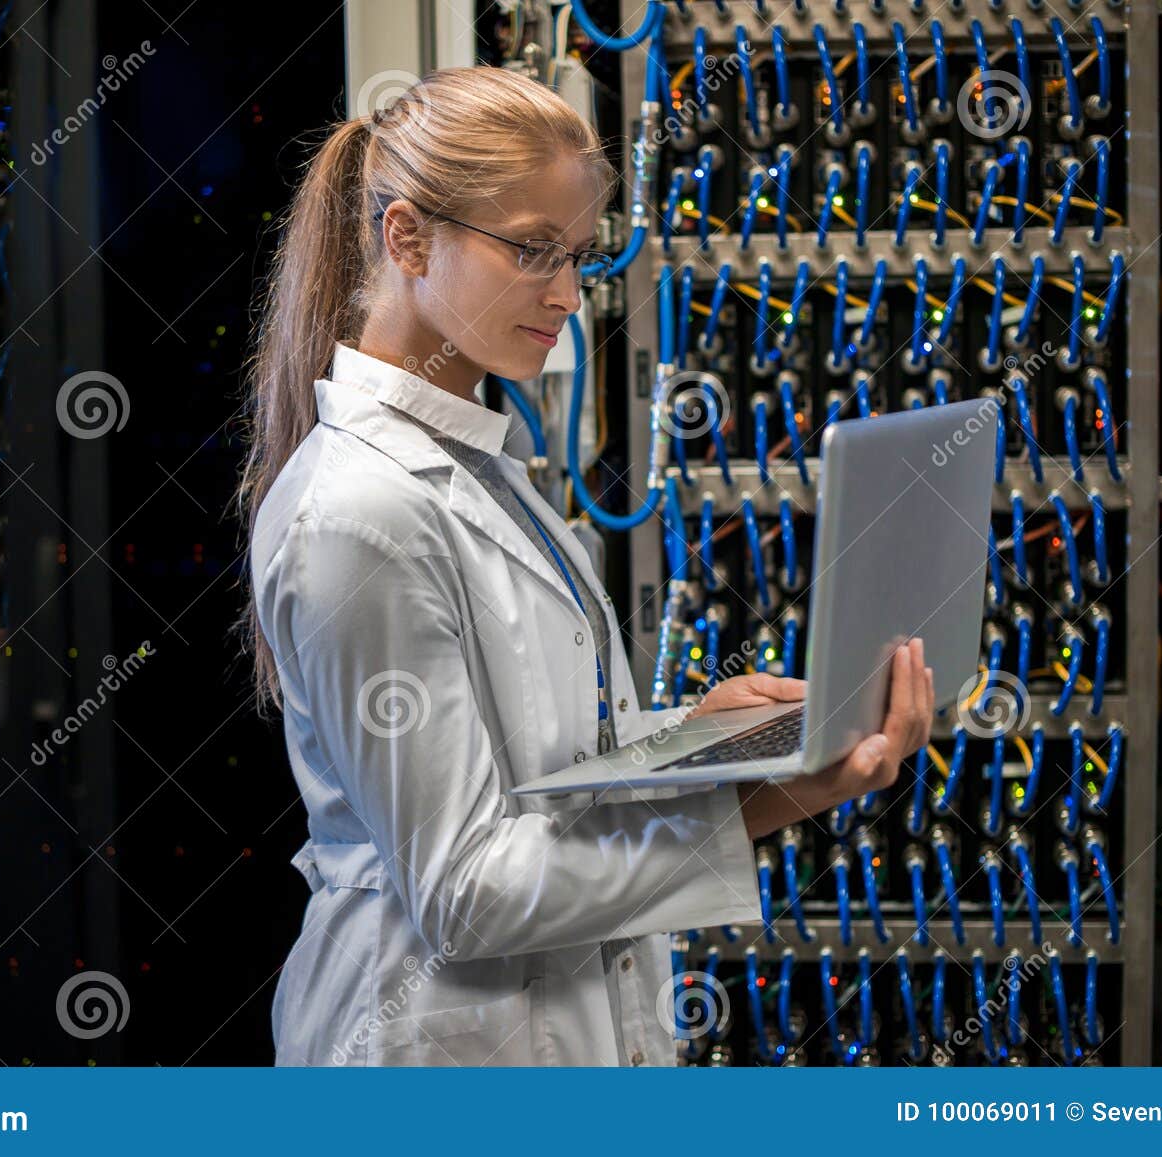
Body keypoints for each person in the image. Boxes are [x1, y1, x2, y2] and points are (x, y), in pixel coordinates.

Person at [237, 66, 932, 1066]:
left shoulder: (473, 465)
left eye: (575, 256)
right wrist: (777, 794)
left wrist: (695, 739)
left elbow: (532, 765)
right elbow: (463, 890)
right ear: (407, 238)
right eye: (531, 251)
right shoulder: (362, 511)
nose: (567, 294)